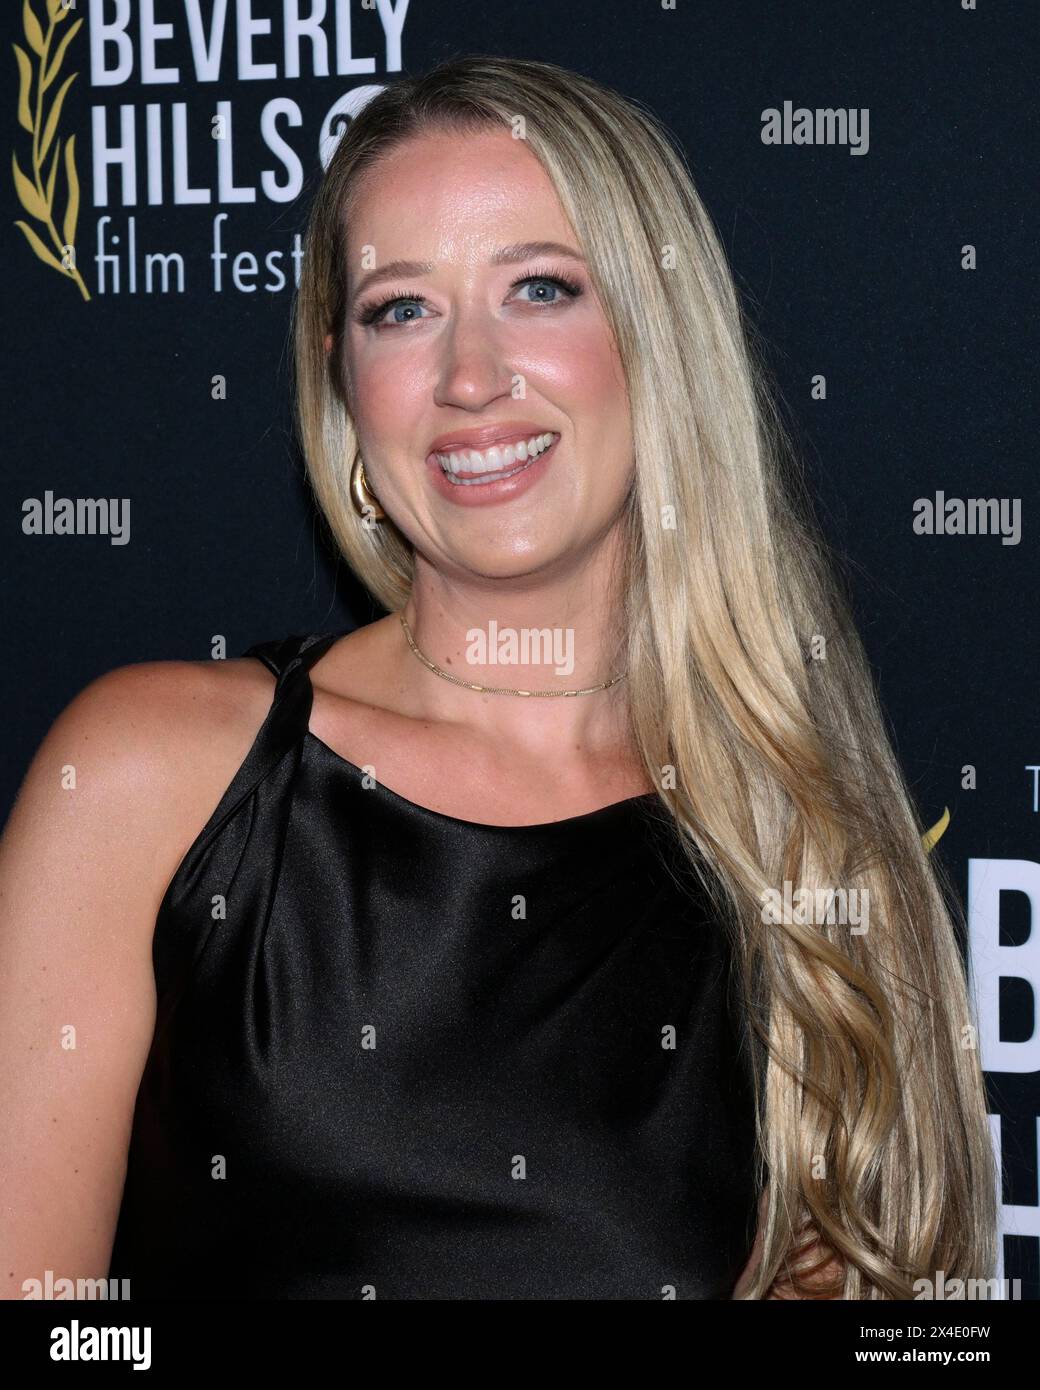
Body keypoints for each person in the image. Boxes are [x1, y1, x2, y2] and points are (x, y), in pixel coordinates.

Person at [0, 54, 997, 1301]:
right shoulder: (153, 774)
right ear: (342, 380)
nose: (469, 377)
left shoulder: (803, 845)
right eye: (399, 310)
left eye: (539, 288)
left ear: (660, 338)